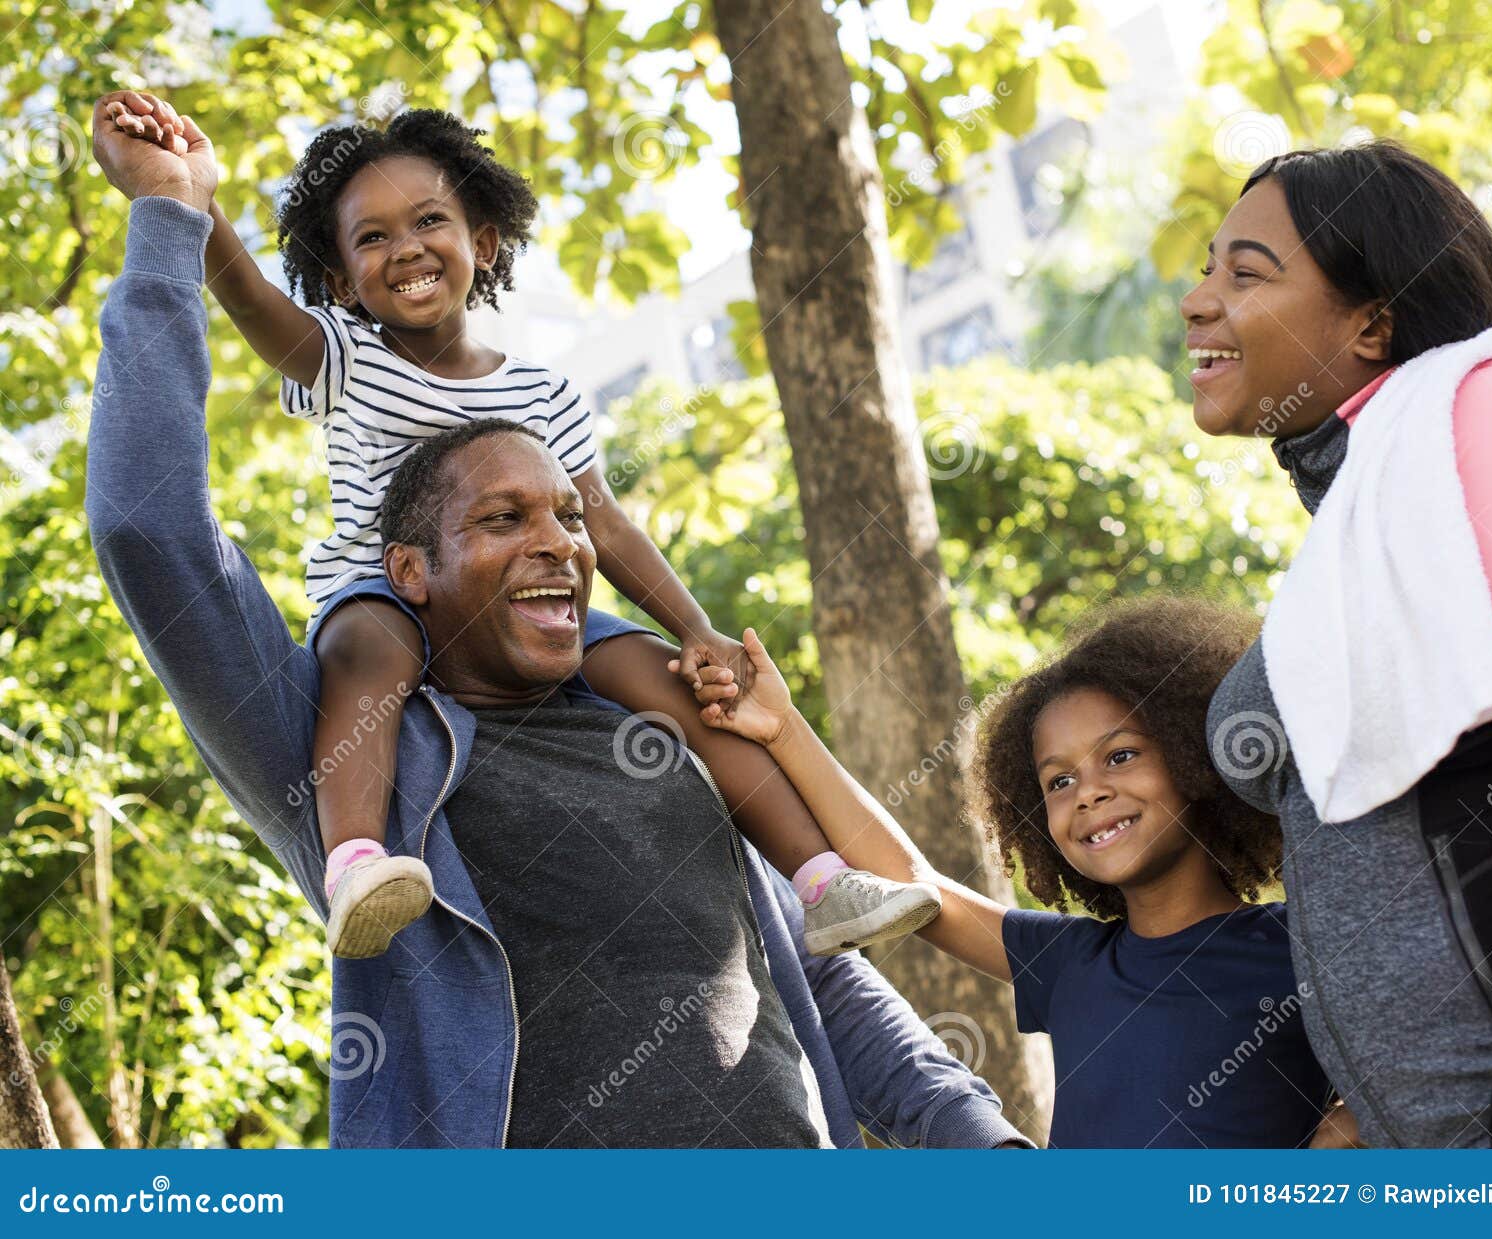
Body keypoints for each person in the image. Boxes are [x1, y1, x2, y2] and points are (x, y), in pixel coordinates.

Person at [84, 94, 1028, 1150]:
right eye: (500, 518)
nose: (559, 543)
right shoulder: (349, 745)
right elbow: (147, 523)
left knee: (672, 671)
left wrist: (974, 1141)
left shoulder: (660, 739)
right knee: (370, 658)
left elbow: (818, 988)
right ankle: (352, 862)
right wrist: (177, 209)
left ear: (481, 243)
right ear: (418, 569)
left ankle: (826, 871)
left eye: (563, 517)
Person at [1185, 139, 1492, 1146]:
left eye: (1244, 274)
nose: (1199, 301)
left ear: (1373, 321)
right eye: (1206, 267)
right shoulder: (1362, 516)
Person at [685, 601, 1344, 1148]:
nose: (1088, 791)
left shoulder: (1299, 942)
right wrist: (783, 729)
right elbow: (913, 882)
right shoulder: (1069, 961)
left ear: (1193, 757)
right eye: (1059, 779)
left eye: (1119, 755)